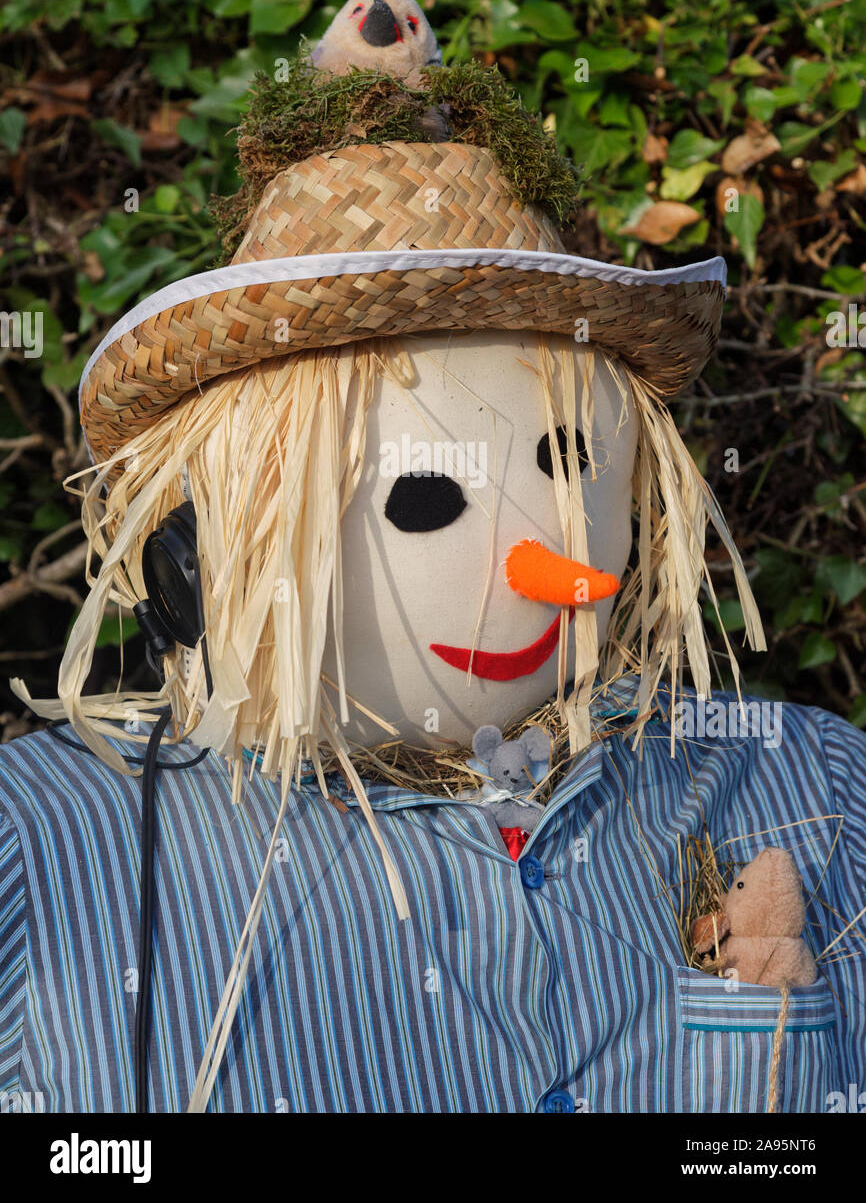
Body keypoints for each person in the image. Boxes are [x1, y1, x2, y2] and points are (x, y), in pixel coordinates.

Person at [3, 133, 863, 1116]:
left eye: (572, 472)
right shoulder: (40, 842)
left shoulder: (813, 787)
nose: (559, 570)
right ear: (201, 558)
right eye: (420, 499)